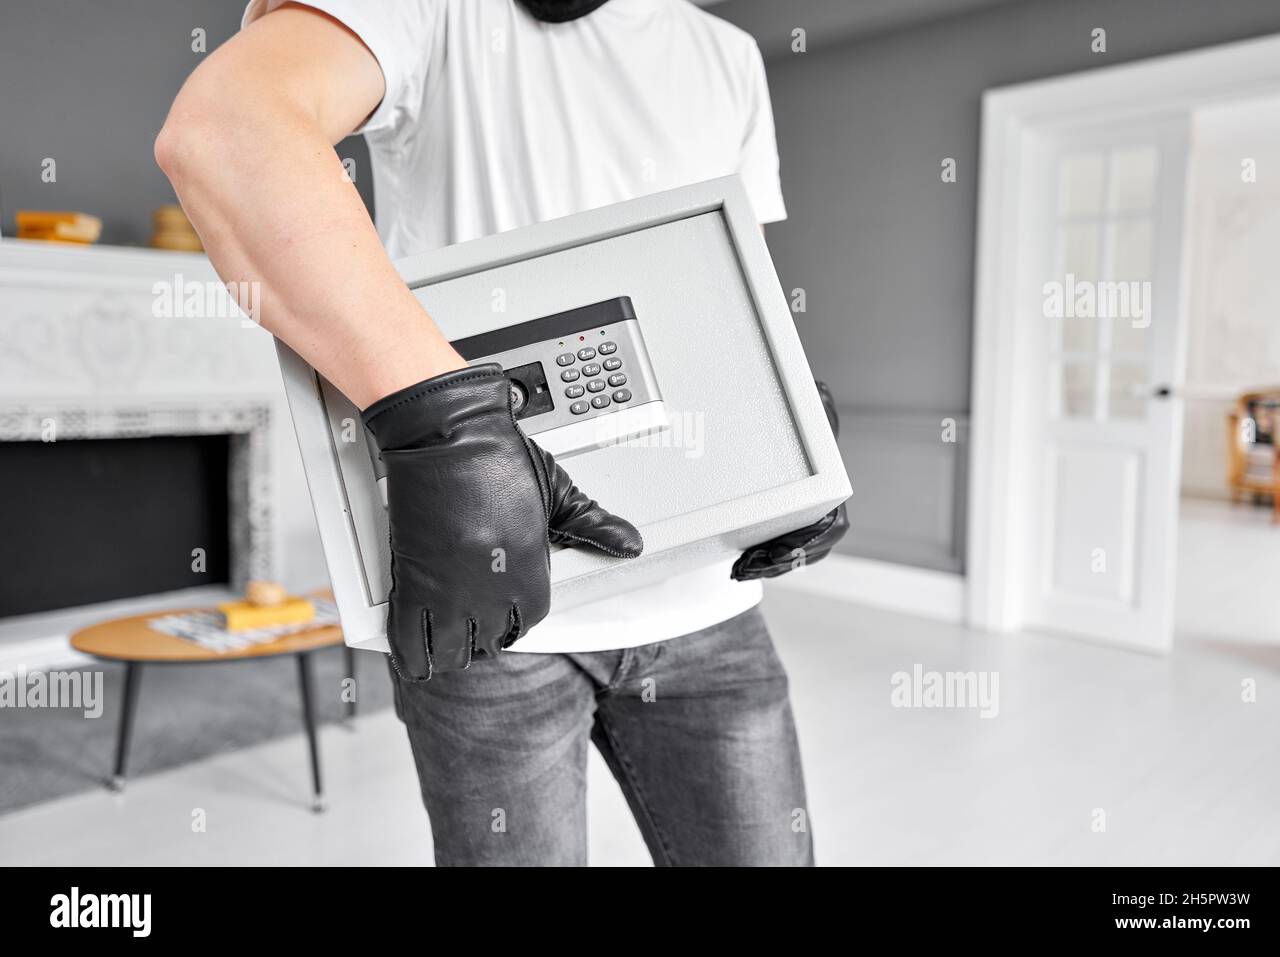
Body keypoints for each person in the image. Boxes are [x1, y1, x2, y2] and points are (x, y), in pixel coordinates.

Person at [157, 0, 843, 866]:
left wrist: (798, 441)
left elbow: (737, 276)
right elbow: (226, 130)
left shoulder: (729, 57)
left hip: (712, 599)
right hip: (494, 616)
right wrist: (447, 424)